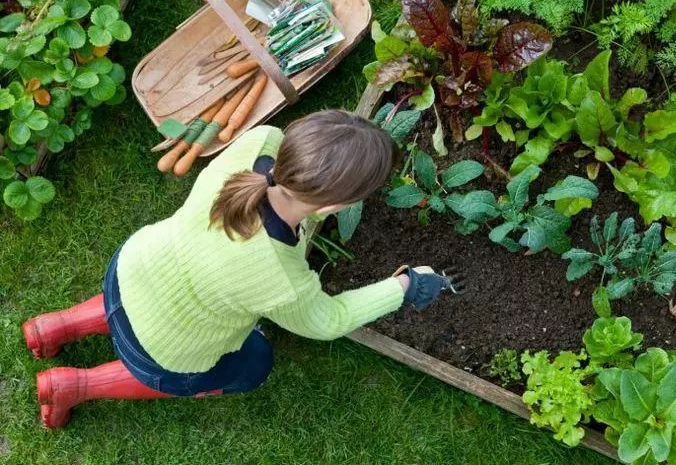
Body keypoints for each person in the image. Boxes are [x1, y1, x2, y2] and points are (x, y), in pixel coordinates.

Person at [22, 110, 464, 429]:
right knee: (253, 363)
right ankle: (75, 386)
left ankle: (54, 326)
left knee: (156, 295)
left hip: (132, 268)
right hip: (161, 352)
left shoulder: (259, 143)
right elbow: (331, 320)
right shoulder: (280, 278)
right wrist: (403, 285)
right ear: (333, 208)